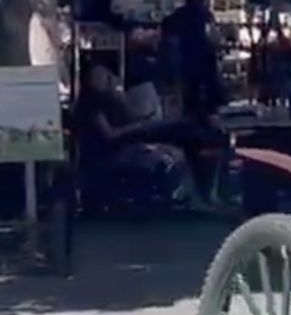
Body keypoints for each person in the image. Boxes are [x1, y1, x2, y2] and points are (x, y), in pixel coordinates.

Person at [73, 60, 223, 210]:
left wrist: (122, 100)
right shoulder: (91, 106)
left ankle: (203, 190)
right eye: (103, 77)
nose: (108, 80)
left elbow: (132, 118)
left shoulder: (113, 101)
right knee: (174, 139)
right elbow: (109, 134)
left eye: (108, 76)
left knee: (181, 133)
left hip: (130, 142)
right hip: (115, 151)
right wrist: (133, 128)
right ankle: (197, 196)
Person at [161, 0, 226, 117]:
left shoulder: (179, 15)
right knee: (210, 101)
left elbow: (166, 28)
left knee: (190, 100)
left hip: (185, 62)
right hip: (205, 62)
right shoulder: (206, 15)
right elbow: (214, 38)